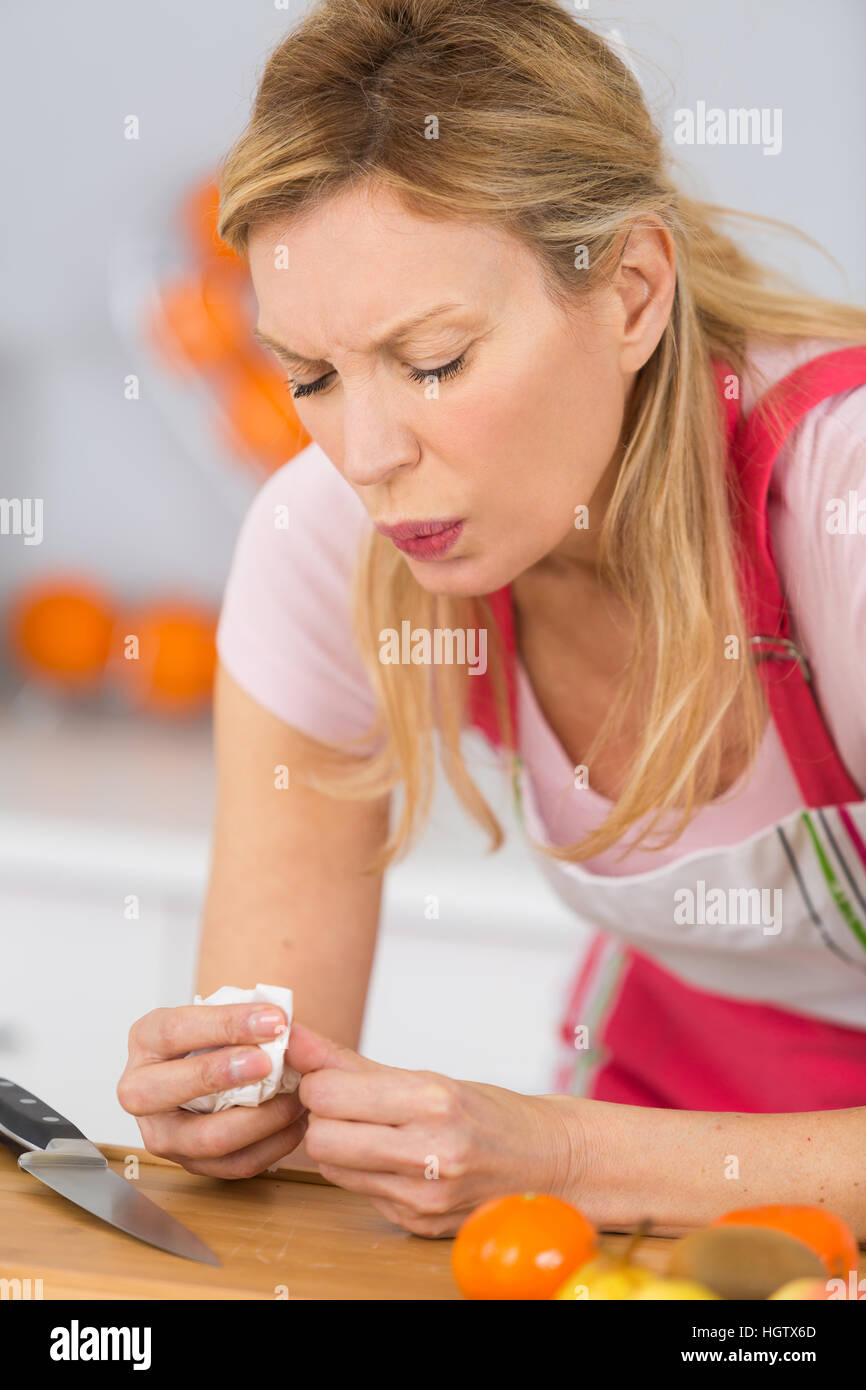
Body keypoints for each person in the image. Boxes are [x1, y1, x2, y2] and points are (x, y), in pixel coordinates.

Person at [118, 0, 866, 1242]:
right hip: (660, 1133)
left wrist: (561, 1151)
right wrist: (226, 1100)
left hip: (627, 1162)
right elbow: (266, 1052)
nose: (363, 452)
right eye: (307, 375)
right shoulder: (326, 545)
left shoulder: (837, 508)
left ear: (630, 292)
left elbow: (571, 1158)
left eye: (431, 361)